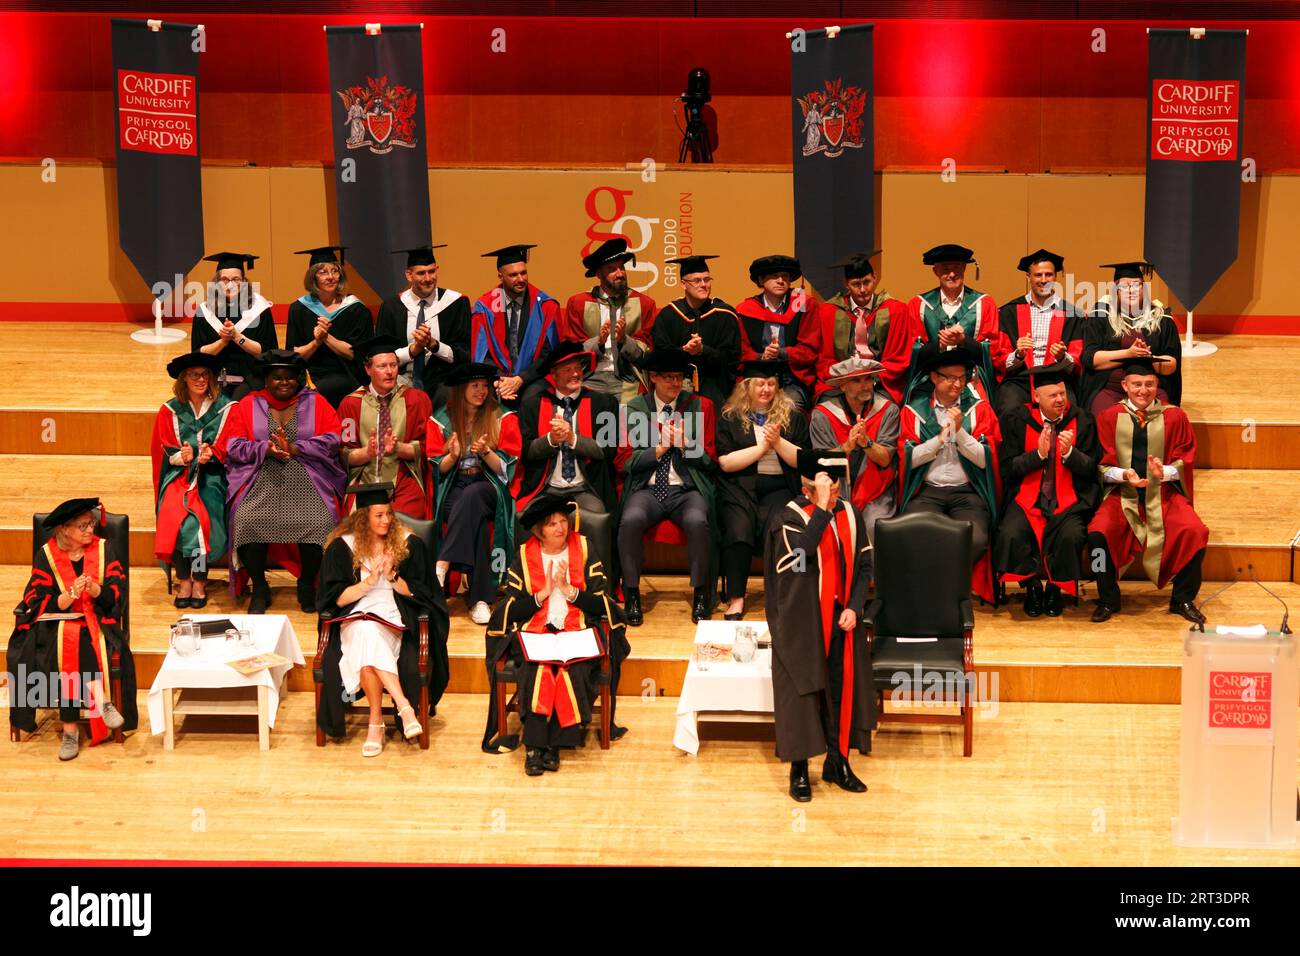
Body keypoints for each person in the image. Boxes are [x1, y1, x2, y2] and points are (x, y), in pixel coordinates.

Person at [482, 495, 630, 774]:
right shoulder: (525, 556)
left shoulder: (584, 549)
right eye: (552, 524)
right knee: (537, 670)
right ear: (539, 530)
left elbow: (601, 602)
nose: (560, 528)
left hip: (578, 630)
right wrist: (544, 593)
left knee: (571, 670)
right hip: (536, 631)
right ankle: (537, 748)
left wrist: (570, 589)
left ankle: (552, 745)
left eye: (563, 522)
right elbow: (512, 610)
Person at [764, 452, 874, 802]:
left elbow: (865, 565)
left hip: (841, 620)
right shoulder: (787, 518)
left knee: (840, 692)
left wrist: (855, 606)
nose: (832, 492)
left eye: (835, 485)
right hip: (802, 624)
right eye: (824, 486)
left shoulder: (851, 514)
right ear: (805, 486)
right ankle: (799, 769)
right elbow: (798, 559)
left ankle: (837, 761)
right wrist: (823, 512)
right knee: (803, 694)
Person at [315, 483, 449, 755]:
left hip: (393, 620)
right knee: (365, 632)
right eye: (378, 515)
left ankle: (375, 723)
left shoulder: (408, 545)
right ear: (363, 518)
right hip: (354, 618)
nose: (386, 520)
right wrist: (368, 583)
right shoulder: (342, 548)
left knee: (368, 642)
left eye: (388, 514)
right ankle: (404, 707)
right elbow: (333, 600)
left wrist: (391, 577)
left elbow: (424, 594)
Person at [8, 498, 138, 761]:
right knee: (71, 634)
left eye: (91, 523)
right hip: (55, 627)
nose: (90, 530)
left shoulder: (104, 550)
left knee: (78, 637)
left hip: (99, 622)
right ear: (65, 529)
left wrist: (95, 590)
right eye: (83, 526)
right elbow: (35, 599)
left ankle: (70, 732)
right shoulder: (47, 555)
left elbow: (117, 595)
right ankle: (102, 701)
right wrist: (68, 596)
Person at [222, 350, 347, 614]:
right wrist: (264, 450)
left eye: (290, 378)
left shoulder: (316, 403)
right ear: (267, 379)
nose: (284, 383)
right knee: (246, 519)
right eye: (278, 378)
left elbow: (334, 439)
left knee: (320, 520)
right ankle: (260, 586)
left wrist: (297, 448)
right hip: (261, 474)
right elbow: (232, 445)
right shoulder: (249, 404)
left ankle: (306, 584)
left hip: (306, 473)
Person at [1086, 358, 1208, 625]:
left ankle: (1182, 599)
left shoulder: (1175, 416)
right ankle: (1107, 598)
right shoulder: (1108, 417)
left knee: (1195, 532)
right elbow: (1099, 466)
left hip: (1164, 495)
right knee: (1097, 536)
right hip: (1123, 495)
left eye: (1149, 384)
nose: (1143, 390)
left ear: (1157, 386)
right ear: (1125, 386)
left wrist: (1163, 472)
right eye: (1137, 384)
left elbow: (1186, 459)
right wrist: (1123, 475)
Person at [619, 348, 717, 625]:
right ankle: (632, 593)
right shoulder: (634, 409)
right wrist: (660, 449)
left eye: (680, 378)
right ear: (653, 378)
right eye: (670, 378)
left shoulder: (700, 406)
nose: (677, 384)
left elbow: (711, 460)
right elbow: (622, 460)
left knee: (699, 520)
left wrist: (687, 446)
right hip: (647, 490)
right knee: (630, 519)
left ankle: (701, 593)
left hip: (686, 490)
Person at [898, 342, 1001, 603]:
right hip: (927, 493)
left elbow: (983, 461)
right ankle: (943, 592)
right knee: (915, 534)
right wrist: (939, 440)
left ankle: (940, 590)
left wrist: (960, 431)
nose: (957, 385)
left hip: (966, 492)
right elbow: (908, 461)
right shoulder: (914, 411)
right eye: (950, 378)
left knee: (975, 538)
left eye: (962, 378)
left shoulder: (979, 409)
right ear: (934, 377)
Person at [994, 365, 1100, 617]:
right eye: (1053, 395)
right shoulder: (1016, 420)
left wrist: (1070, 454)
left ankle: (1054, 588)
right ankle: (1031, 586)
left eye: (1062, 393)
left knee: (1072, 535)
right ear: (1036, 397)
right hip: (1027, 498)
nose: (1060, 400)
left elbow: (1092, 468)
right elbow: (1008, 469)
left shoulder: (1082, 420)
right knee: (1010, 532)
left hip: (1069, 499)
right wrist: (1038, 455)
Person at [427, 362, 522, 624]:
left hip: (488, 485)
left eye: (484, 385)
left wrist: (486, 453)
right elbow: (437, 470)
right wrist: (453, 455)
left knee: (474, 498)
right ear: (461, 389)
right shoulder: (442, 420)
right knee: (475, 520)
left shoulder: (502, 416)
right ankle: (480, 599)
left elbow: (506, 470)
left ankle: (442, 564)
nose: (481, 391)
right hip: (454, 486)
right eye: (475, 385)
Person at [516, 341, 619, 580]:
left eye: (578, 368)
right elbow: (527, 451)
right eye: (567, 369)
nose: (575, 373)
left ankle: (600, 589)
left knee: (598, 518)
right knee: (523, 518)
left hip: (587, 488)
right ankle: (529, 587)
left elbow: (608, 451)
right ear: (553, 375)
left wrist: (573, 438)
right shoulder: (532, 404)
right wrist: (551, 440)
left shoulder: (605, 404)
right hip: (546, 488)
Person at [715, 359, 807, 620]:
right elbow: (725, 462)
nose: (766, 389)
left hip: (780, 487)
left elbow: (801, 459)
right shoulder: (730, 417)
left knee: (780, 529)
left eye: (771, 384)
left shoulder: (793, 416)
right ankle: (736, 598)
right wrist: (762, 448)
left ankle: (781, 594)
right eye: (760, 384)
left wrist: (777, 442)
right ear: (747, 387)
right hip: (739, 487)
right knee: (738, 530)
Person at [150, 351, 237, 609]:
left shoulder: (226, 408)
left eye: (204, 375)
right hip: (179, 475)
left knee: (199, 523)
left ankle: (199, 579)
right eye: (193, 375)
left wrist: (211, 454)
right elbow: (163, 447)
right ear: (183, 379)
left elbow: (230, 443)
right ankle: (183, 579)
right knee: (173, 517)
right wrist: (183, 456)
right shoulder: (169, 410)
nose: (200, 379)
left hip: (211, 477)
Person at [337, 335, 432, 520]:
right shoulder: (350, 404)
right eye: (382, 366)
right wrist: (367, 452)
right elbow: (342, 453)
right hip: (364, 482)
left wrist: (398, 448)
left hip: (404, 481)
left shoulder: (417, 400)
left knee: (405, 529)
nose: (389, 372)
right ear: (368, 369)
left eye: (393, 365)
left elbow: (429, 448)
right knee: (357, 529)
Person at [810, 357, 899, 546]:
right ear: (842, 386)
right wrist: (847, 447)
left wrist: (866, 442)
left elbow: (885, 459)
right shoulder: (822, 415)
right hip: (836, 492)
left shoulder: (888, 411)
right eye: (857, 381)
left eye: (868, 379)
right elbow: (821, 461)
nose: (865, 385)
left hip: (876, 493)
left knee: (874, 526)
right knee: (831, 528)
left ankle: (873, 577)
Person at [904, 243, 1005, 401]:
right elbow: (912, 352)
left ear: (964, 268)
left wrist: (964, 341)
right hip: (931, 376)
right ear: (935, 271)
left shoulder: (985, 304)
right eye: (945, 269)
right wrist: (939, 345)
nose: (952, 274)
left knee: (981, 407)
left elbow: (992, 352)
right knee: (917, 406)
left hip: (971, 377)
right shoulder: (918, 305)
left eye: (957, 267)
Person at [562, 237, 657, 404]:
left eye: (622, 267)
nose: (620, 273)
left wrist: (624, 341)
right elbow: (571, 350)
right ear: (599, 274)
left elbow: (648, 353)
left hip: (628, 380)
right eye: (612, 269)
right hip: (590, 378)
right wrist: (598, 342)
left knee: (630, 422)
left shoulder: (644, 304)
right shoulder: (579, 304)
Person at [994, 249, 1087, 419]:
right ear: (1028, 277)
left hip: (1057, 379)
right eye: (1038, 275)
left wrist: (1062, 356)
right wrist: (1018, 354)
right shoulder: (1009, 312)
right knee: (1009, 409)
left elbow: (1077, 363)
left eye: (1048, 275)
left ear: (1056, 277)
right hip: (1020, 379)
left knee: (1072, 412)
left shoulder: (1072, 314)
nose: (1044, 280)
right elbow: (1000, 360)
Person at [1082, 260, 1182, 417]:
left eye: (1137, 285)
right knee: (1105, 416)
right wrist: (1128, 354)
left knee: (1164, 418)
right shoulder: (1100, 316)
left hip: (1150, 391)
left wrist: (1150, 358)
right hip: (1110, 390)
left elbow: (1172, 364)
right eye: (1124, 286)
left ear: (1144, 288)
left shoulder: (1162, 318)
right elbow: (1090, 359)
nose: (1131, 290)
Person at [375, 245, 471, 404]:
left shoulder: (456, 304)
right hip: (403, 376)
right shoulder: (392, 307)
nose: (428, 278)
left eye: (431, 271)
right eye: (421, 273)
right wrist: (413, 350)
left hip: (443, 376)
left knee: (448, 394)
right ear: (409, 275)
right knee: (389, 394)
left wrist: (434, 345)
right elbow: (381, 355)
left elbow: (464, 354)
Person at [816, 250, 912, 403]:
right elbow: (824, 358)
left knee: (885, 408)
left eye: (866, 282)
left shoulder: (895, 311)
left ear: (875, 277)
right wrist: (847, 380)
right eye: (856, 284)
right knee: (824, 411)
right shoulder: (829, 312)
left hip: (880, 383)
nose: (862, 289)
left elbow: (898, 359)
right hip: (841, 383)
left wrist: (868, 380)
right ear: (846, 283)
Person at [471, 244, 560, 408]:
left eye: (523, 272)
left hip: (534, 377)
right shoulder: (485, 307)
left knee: (532, 400)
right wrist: (500, 381)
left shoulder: (545, 306)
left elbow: (549, 355)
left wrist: (520, 379)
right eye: (513, 275)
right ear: (500, 276)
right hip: (498, 379)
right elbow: (483, 354)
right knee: (481, 395)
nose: (521, 279)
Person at [285, 246, 373, 408]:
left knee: (321, 392)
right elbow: (294, 354)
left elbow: (355, 354)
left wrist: (326, 336)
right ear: (313, 277)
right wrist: (317, 342)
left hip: (346, 373)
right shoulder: (298, 309)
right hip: (308, 374)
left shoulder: (356, 309)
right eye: (323, 272)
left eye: (335, 271)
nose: (331, 277)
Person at [654, 255, 742, 410]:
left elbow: (732, 360)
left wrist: (703, 350)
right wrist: (683, 351)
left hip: (717, 393)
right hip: (675, 393)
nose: (703, 285)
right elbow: (659, 357)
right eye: (697, 280)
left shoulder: (725, 315)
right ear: (683, 284)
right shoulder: (668, 315)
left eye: (707, 280)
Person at [735, 255, 822, 411]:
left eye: (785, 276)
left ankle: (781, 437)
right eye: (775, 276)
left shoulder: (803, 305)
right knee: (740, 409)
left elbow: (809, 350)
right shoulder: (746, 310)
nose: (781, 281)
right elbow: (741, 349)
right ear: (761, 280)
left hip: (791, 380)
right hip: (757, 377)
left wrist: (782, 353)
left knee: (788, 407)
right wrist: (761, 357)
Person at [189, 251, 278, 400]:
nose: (230, 285)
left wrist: (237, 337)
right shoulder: (204, 311)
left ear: (244, 282)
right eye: (224, 280)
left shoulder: (259, 309)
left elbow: (268, 351)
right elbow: (197, 354)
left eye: (236, 279)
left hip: (251, 379)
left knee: (235, 406)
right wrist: (223, 341)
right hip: (213, 379)